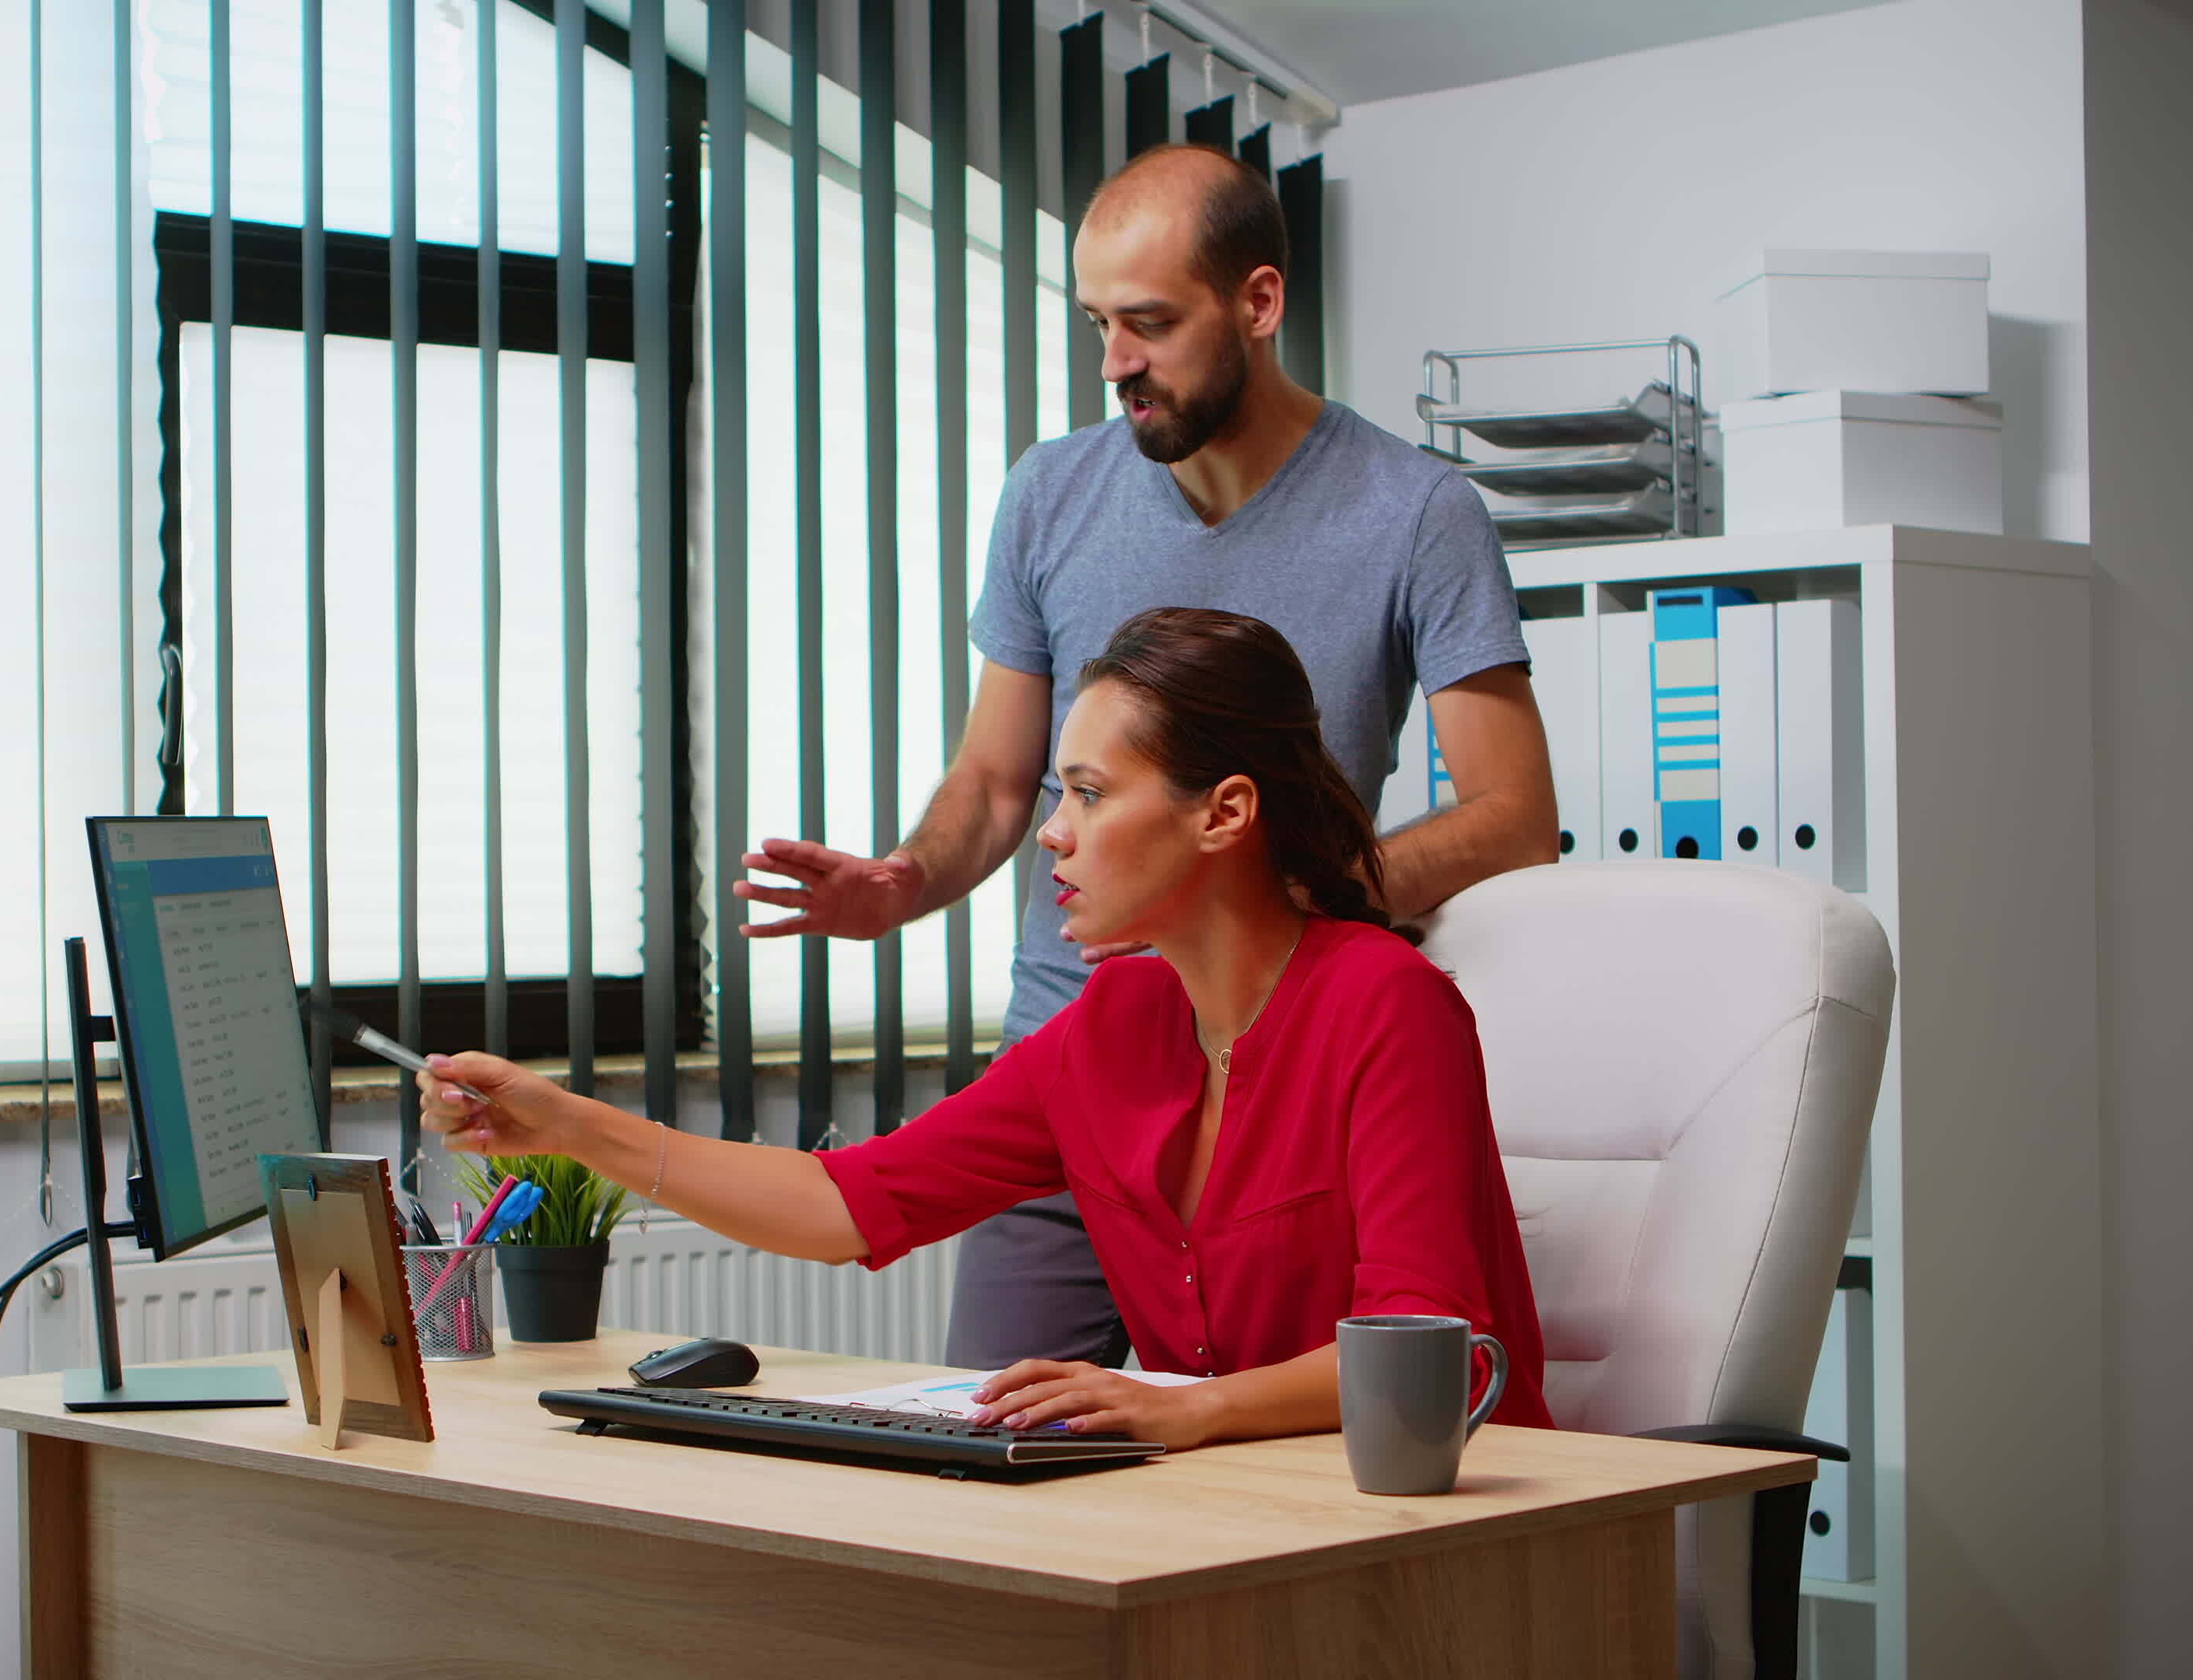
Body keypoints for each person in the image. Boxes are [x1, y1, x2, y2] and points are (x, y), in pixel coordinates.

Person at [730, 142, 1557, 1371]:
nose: (1117, 362)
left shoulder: (1416, 511)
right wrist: (903, 882)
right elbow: (1000, 783)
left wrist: (1283, 909)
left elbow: (1512, 817)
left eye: (1152, 324)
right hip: (1077, 1068)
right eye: (1099, 325)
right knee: (996, 1465)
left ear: (1260, 304)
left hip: (1277, 1086)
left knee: (1265, 1462)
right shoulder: (1050, 494)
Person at [422, 610, 1550, 1447]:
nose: (1053, 836)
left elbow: (1433, 1357)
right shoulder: (1115, 1023)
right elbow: (848, 1203)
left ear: (1227, 813)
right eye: (1057, 795)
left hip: (1451, 1530)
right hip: (1248, 1509)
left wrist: (1185, 1410)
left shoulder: (1384, 1005)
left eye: (1093, 795)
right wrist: (570, 1126)